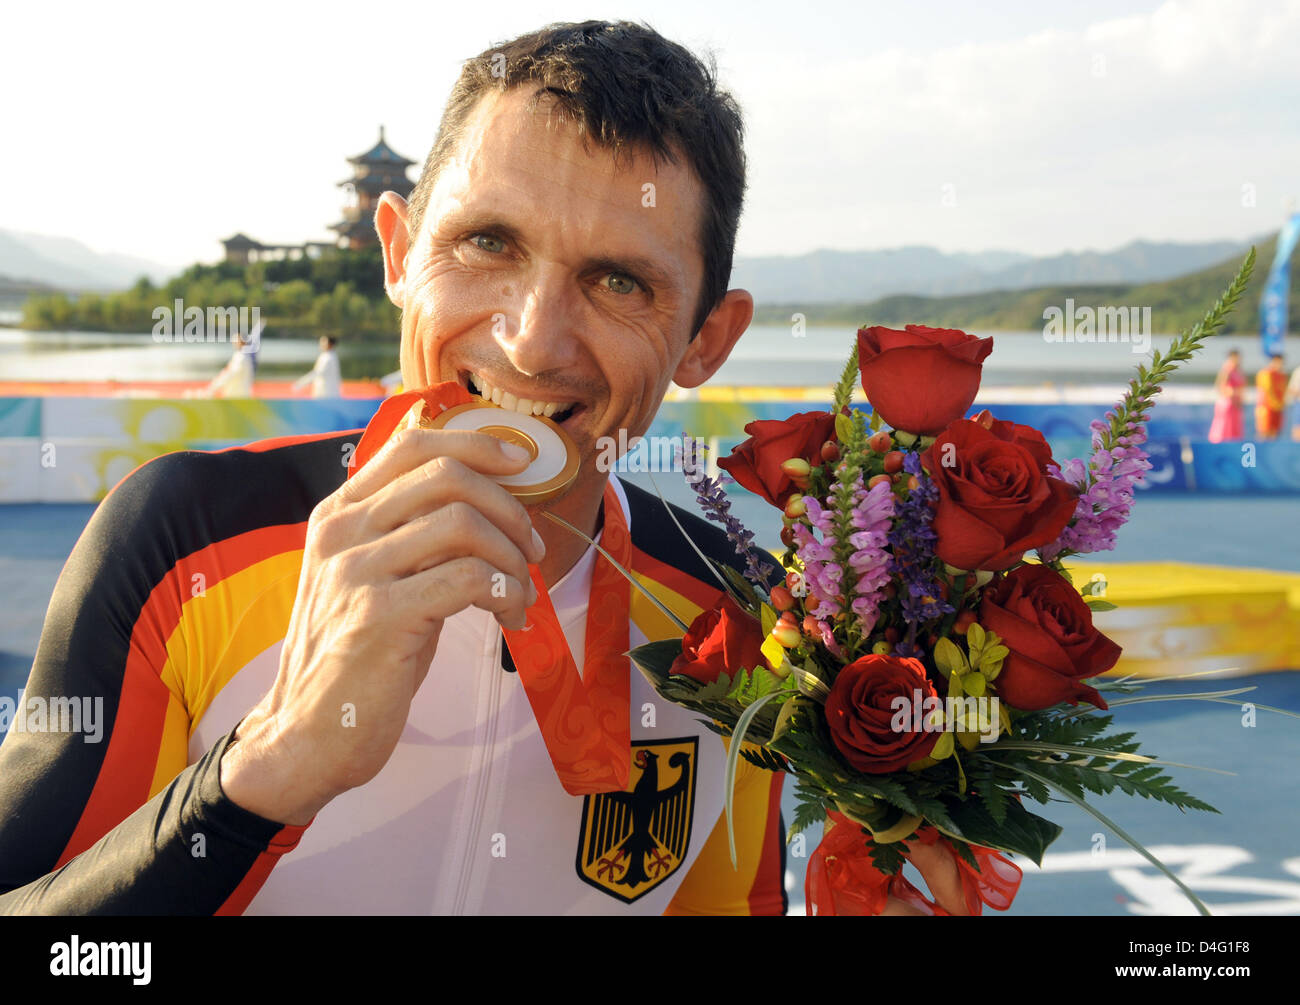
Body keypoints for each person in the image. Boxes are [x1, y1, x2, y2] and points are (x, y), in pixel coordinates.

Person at [0, 21, 969, 916]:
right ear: (399, 252)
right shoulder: (186, 534)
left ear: (705, 342)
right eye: (486, 243)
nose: (534, 343)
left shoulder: (741, 623)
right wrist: (267, 770)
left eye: (619, 281)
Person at [1207, 349, 1245, 442]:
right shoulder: (1227, 369)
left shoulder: (1238, 371)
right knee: (1224, 428)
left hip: (1236, 404)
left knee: (1234, 429)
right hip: (1227, 403)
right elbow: (1220, 386)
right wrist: (1231, 392)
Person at [202, 333, 256, 398]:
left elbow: (231, 374)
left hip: (238, 395)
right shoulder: (241, 355)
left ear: (242, 342)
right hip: (239, 393)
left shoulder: (242, 357)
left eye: (237, 340)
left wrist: (213, 387)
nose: (234, 342)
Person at [1255, 353, 1288, 440]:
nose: (1280, 365)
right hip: (1266, 408)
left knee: (1275, 433)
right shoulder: (1265, 373)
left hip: (1278, 408)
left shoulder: (1282, 375)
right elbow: (1266, 390)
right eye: (1278, 362)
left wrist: (1281, 404)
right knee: (1264, 432)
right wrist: (1275, 403)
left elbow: (1283, 391)